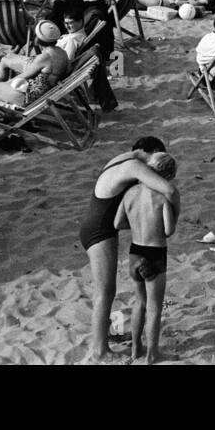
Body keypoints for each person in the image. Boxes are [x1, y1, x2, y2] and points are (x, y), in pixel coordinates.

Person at [80, 138, 180, 360]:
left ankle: (106, 343)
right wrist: (174, 210)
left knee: (110, 292)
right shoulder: (135, 166)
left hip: (98, 227)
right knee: (105, 292)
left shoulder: (121, 160)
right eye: (156, 157)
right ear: (151, 152)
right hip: (99, 232)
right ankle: (99, 351)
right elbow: (169, 191)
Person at [113, 152, 178, 364]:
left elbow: (117, 224)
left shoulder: (130, 193)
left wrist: (136, 224)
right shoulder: (161, 198)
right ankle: (151, 354)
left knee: (139, 303)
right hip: (154, 254)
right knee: (154, 307)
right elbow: (168, 230)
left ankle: (135, 350)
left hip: (134, 252)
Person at [0, 22, 69, 120]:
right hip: (42, 94)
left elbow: (22, 76)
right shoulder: (62, 53)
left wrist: (2, 85)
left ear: (37, 38)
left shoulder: (45, 57)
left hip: (28, 98)